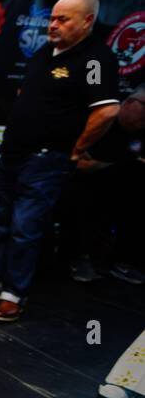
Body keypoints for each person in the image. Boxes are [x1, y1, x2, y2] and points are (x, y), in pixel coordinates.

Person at [0, 0, 119, 323]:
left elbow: (106, 111)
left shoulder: (94, 61)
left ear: (87, 21)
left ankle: (14, 293)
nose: (53, 25)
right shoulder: (46, 53)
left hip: (46, 158)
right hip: (14, 151)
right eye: (52, 18)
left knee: (25, 227)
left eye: (63, 19)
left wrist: (75, 149)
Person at [68, 87, 145, 284]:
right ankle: (79, 257)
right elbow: (78, 162)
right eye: (141, 113)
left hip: (126, 186)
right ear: (127, 104)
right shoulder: (100, 120)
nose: (140, 123)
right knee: (83, 198)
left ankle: (123, 261)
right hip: (88, 181)